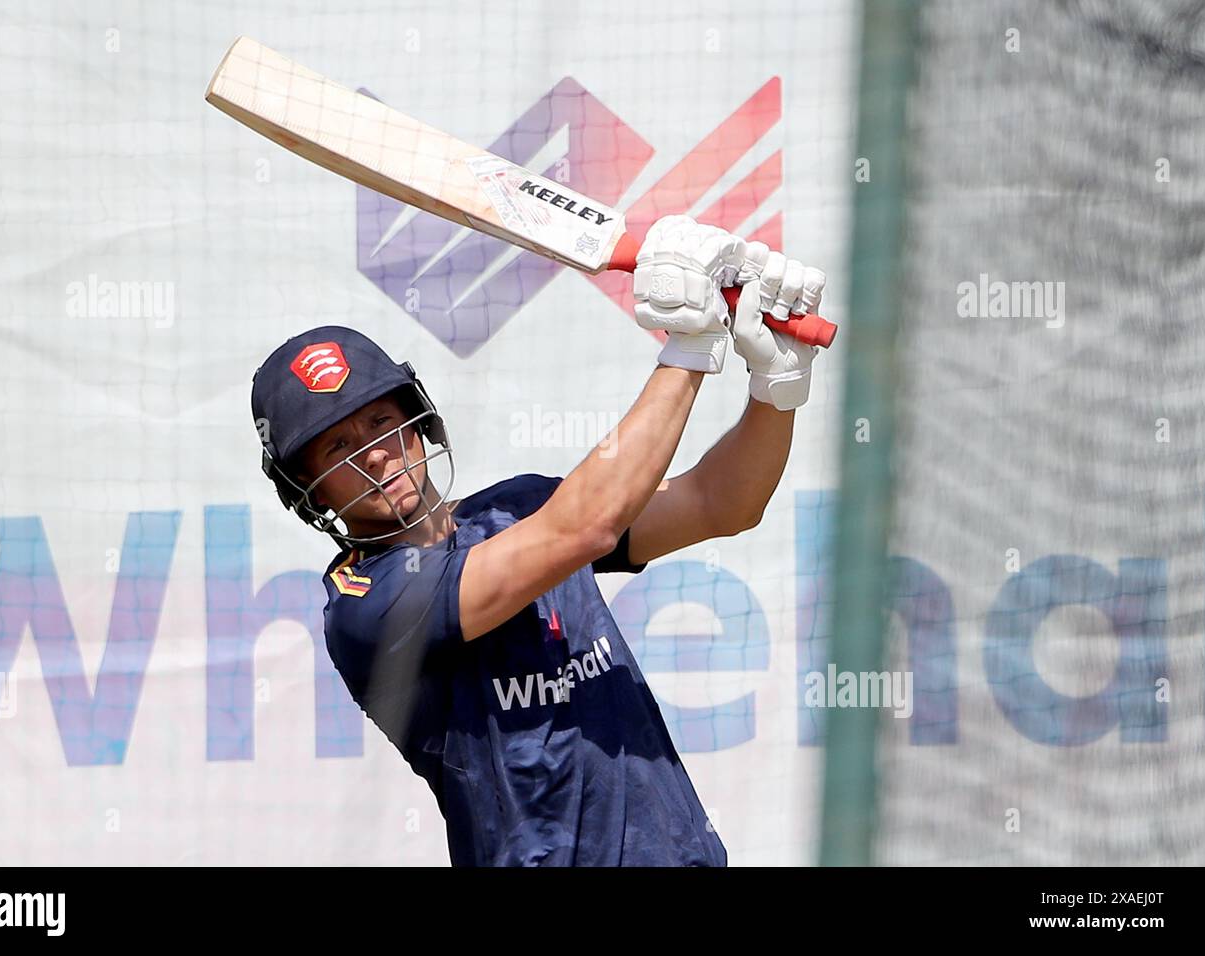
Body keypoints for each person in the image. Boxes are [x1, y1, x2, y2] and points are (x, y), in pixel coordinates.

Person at [250, 215, 825, 866]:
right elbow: (585, 527)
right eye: (338, 448)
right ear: (311, 492)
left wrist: (776, 390)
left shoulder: (519, 505)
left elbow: (721, 503)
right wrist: (687, 351)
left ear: (417, 421)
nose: (374, 457)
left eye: (382, 422)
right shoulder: (365, 602)